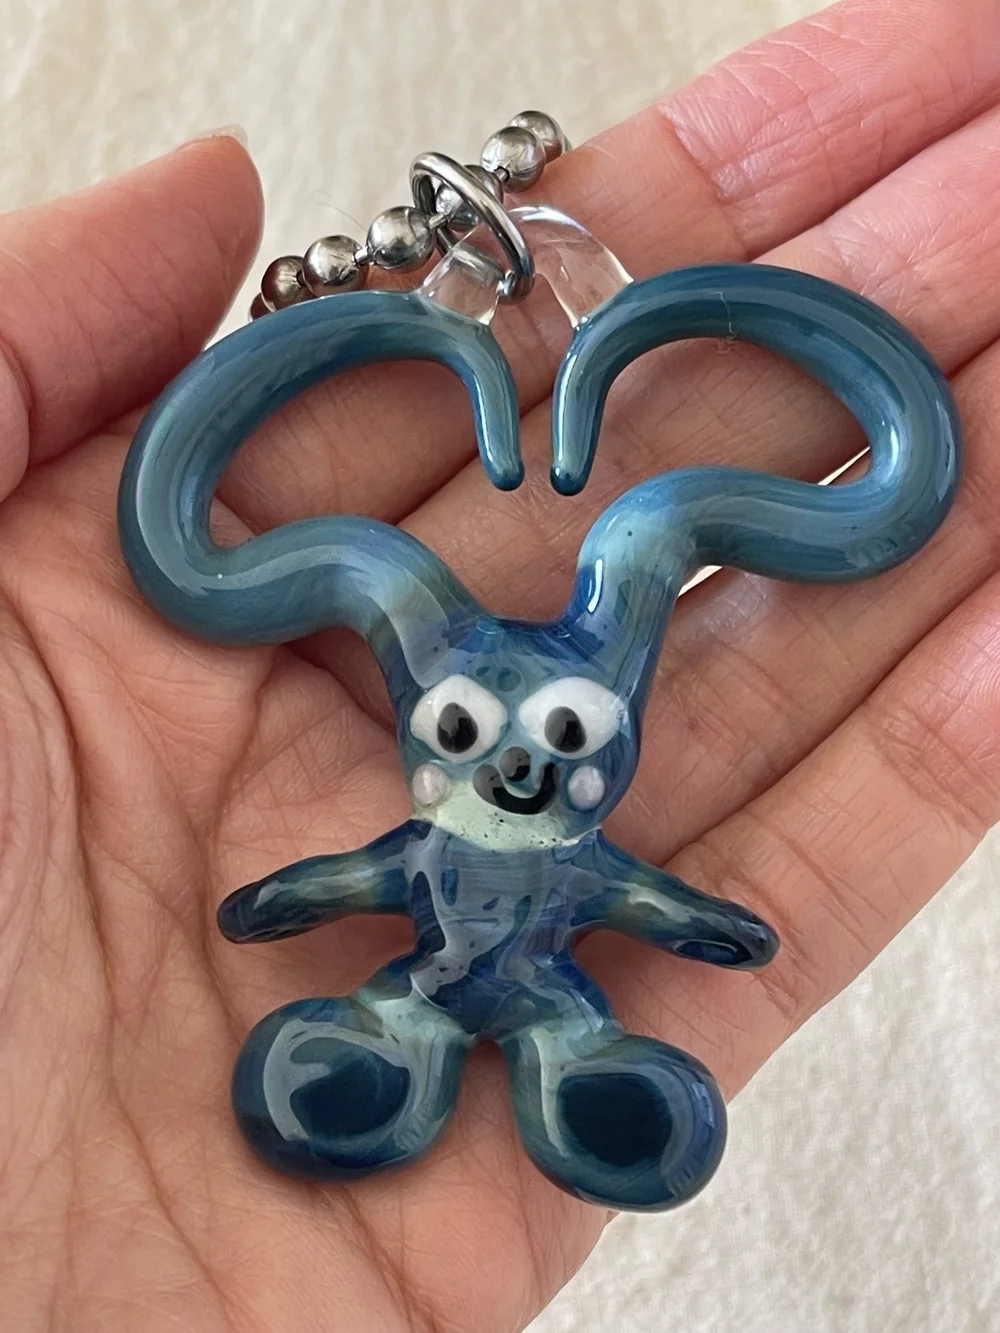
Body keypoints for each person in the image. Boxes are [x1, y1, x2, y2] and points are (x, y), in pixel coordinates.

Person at [2, 0, 999, 1327]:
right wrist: (295, 895)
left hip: (540, 978)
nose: (522, 764)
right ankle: (389, 1071)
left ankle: (583, 1088)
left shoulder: (552, 850)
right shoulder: (443, 839)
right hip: (437, 972)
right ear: (427, 733)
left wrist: (697, 925)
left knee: (551, 1021)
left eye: (566, 736)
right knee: (415, 1013)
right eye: (471, 732)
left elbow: (633, 896)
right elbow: (375, 877)